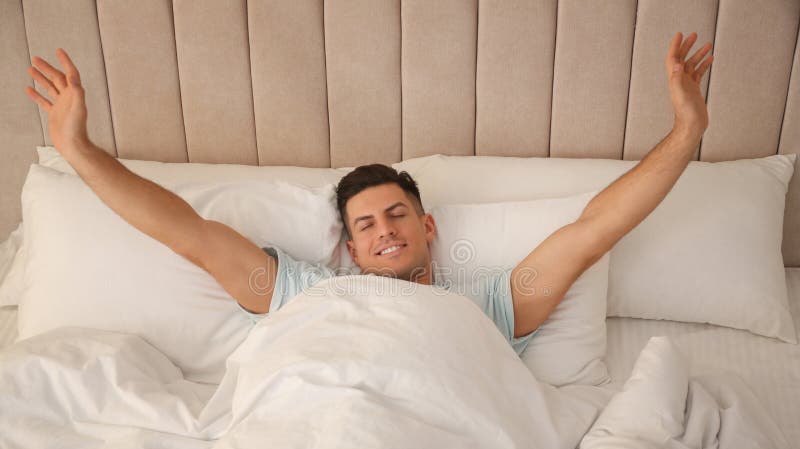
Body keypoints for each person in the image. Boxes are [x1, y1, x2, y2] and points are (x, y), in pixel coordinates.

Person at [24, 32, 713, 355]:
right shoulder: (303, 292)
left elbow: (594, 230)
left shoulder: (492, 305)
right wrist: (79, 150)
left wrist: (686, 131)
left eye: (397, 214)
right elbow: (186, 232)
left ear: (428, 226)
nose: (385, 229)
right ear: (349, 246)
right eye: (367, 224)